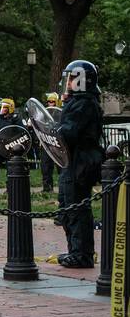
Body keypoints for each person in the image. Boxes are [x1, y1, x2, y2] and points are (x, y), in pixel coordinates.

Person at [55, 61, 103, 268]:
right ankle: (75, 251)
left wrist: (54, 131)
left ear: (83, 80)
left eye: (72, 78)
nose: (68, 82)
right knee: (68, 206)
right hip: (73, 160)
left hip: (80, 161)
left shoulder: (84, 103)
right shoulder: (77, 101)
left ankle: (82, 254)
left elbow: (69, 131)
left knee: (76, 208)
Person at [39, 92, 61, 193]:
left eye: (52, 101)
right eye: (49, 101)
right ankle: (47, 188)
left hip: (58, 142)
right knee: (45, 166)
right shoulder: (43, 113)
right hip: (46, 142)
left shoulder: (61, 112)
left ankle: (63, 187)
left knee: (61, 166)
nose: (50, 103)